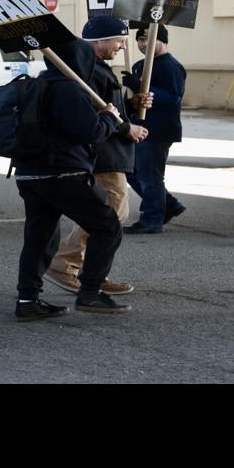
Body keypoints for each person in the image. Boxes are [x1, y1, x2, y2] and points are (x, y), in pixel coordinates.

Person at [11, 27, 131, 321]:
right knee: (107, 226)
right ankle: (90, 292)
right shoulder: (69, 89)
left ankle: (28, 300)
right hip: (62, 172)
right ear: (79, 58)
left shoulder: (37, 84)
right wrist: (110, 118)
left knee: (39, 237)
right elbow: (90, 132)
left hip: (29, 172)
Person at [43, 16, 148, 296]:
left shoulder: (94, 67)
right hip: (103, 152)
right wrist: (126, 127)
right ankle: (69, 265)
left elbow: (107, 106)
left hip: (108, 151)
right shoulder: (83, 69)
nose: (123, 46)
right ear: (100, 40)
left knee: (108, 214)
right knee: (110, 216)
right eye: (120, 40)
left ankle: (87, 270)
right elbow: (90, 113)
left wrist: (131, 105)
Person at [124, 24, 187, 234]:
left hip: (158, 128)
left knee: (149, 175)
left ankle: (152, 219)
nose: (144, 44)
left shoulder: (170, 66)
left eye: (149, 39)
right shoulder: (139, 65)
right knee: (131, 171)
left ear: (163, 41)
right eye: (140, 40)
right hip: (139, 126)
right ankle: (168, 204)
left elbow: (173, 96)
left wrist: (142, 86)